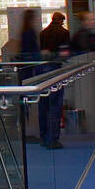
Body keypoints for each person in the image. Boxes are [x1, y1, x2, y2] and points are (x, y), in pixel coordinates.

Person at [38, 11, 70, 150]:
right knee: (55, 104)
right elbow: (64, 53)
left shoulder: (43, 33)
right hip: (56, 68)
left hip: (42, 70)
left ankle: (43, 135)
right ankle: (53, 137)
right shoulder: (64, 33)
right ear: (62, 20)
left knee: (43, 104)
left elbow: (42, 52)